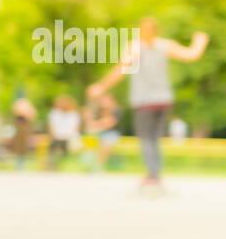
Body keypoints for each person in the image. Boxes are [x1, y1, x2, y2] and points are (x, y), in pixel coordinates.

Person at [89, 16, 208, 190]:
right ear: (157, 30)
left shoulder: (136, 46)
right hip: (164, 100)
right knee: (155, 139)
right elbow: (192, 54)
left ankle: (152, 175)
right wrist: (200, 42)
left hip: (144, 101)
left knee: (146, 139)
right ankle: (154, 173)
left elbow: (122, 69)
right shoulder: (165, 45)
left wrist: (101, 86)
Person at [83, 89, 121, 172]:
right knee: (90, 135)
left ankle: (98, 166)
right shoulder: (99, 109)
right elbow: (89, 120)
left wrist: (96, 125)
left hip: (111, 134)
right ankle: (88, 157)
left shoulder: (116, 110)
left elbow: (110, 123)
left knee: (105, 143)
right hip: (99, 133)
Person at [45, 94, 81, 170]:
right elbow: (51, 128)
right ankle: (51, 166)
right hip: (57, 137)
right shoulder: (54, 114)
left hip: (70, 137)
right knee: (53, 146)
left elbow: (76, 129)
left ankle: (72, 165)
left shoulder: (74, 114)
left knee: (74, 145)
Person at [10, 97, 36, 170]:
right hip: (20, 129)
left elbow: (32, 115)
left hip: (25, 128)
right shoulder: (17, 116)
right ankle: (19, 165)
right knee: (19, 147)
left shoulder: (27, 106)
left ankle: (21, 165)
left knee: (24, 147)